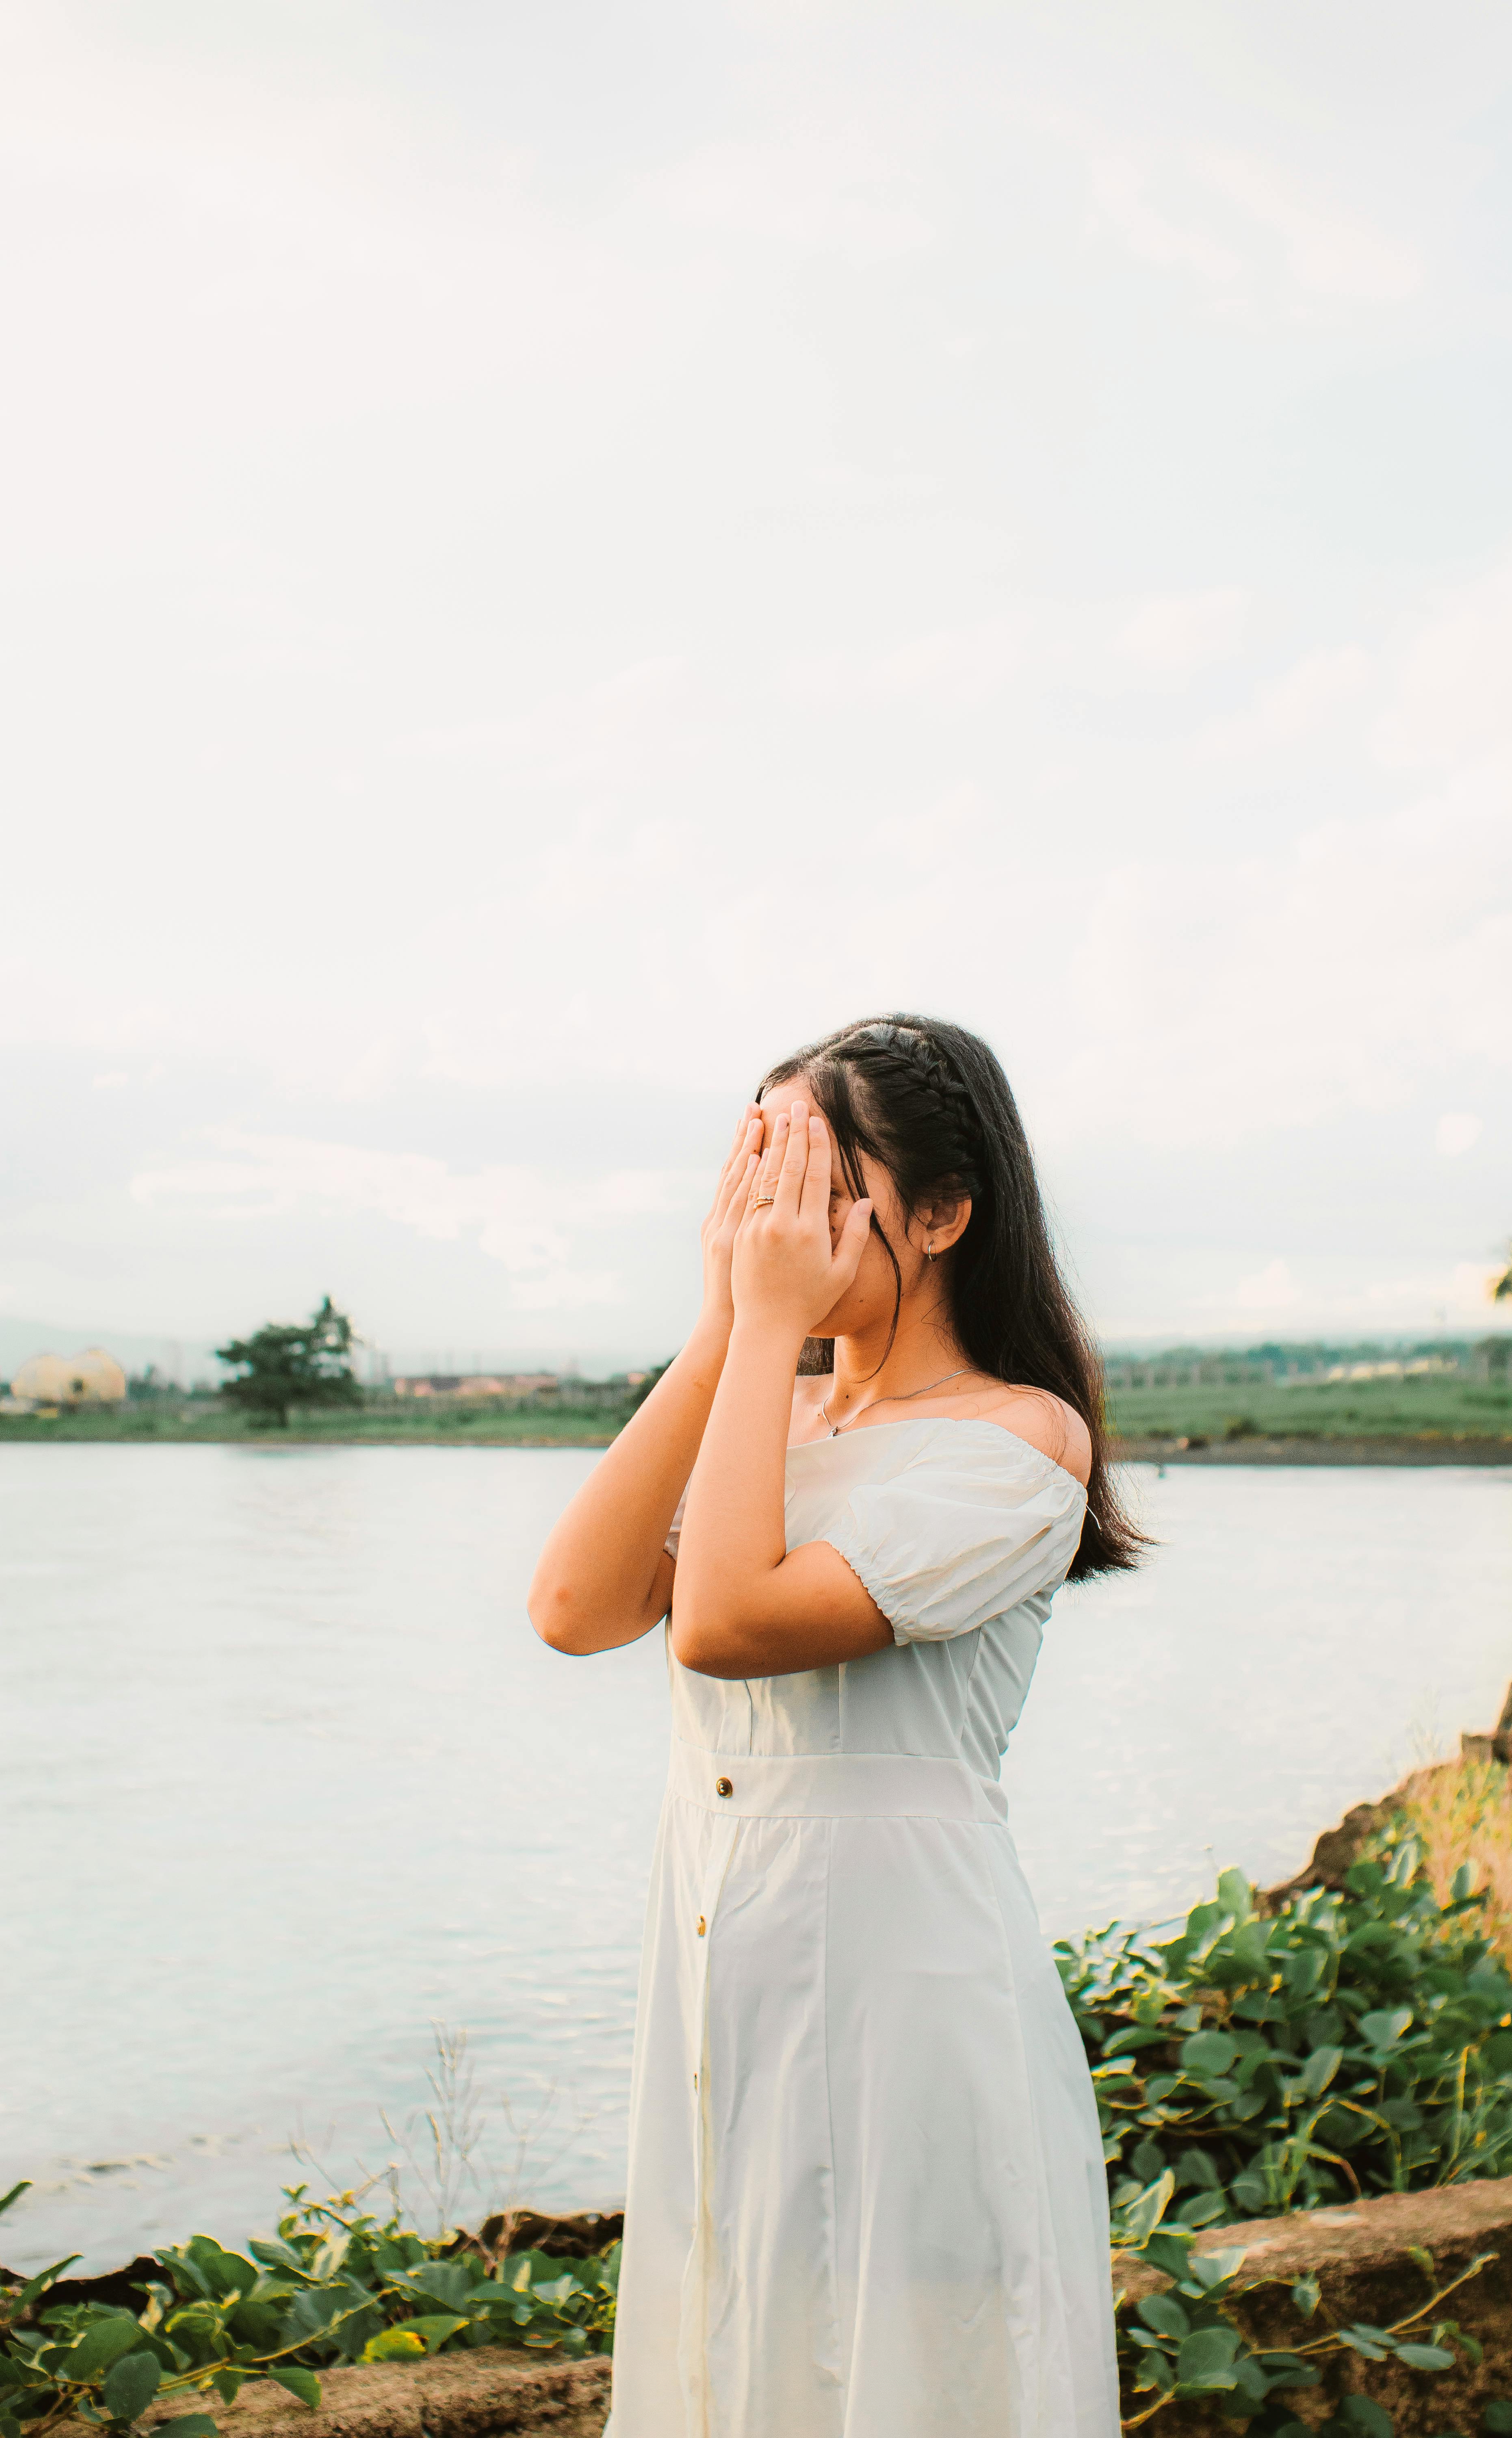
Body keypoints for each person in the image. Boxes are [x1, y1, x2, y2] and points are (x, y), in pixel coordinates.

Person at [528, 1014, 1142, 2438]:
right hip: (724, 1977)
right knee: (731, 2364)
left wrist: (760, 1337)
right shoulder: (771, 1413)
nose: (772, 1228)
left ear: (940, 1214)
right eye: (757, 1186)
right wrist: (723, 1328)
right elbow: (573, 1606)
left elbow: (726, 1621)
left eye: (810, 1189)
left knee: (916, 2386)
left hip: (902, 1996)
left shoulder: (1020, 1441)